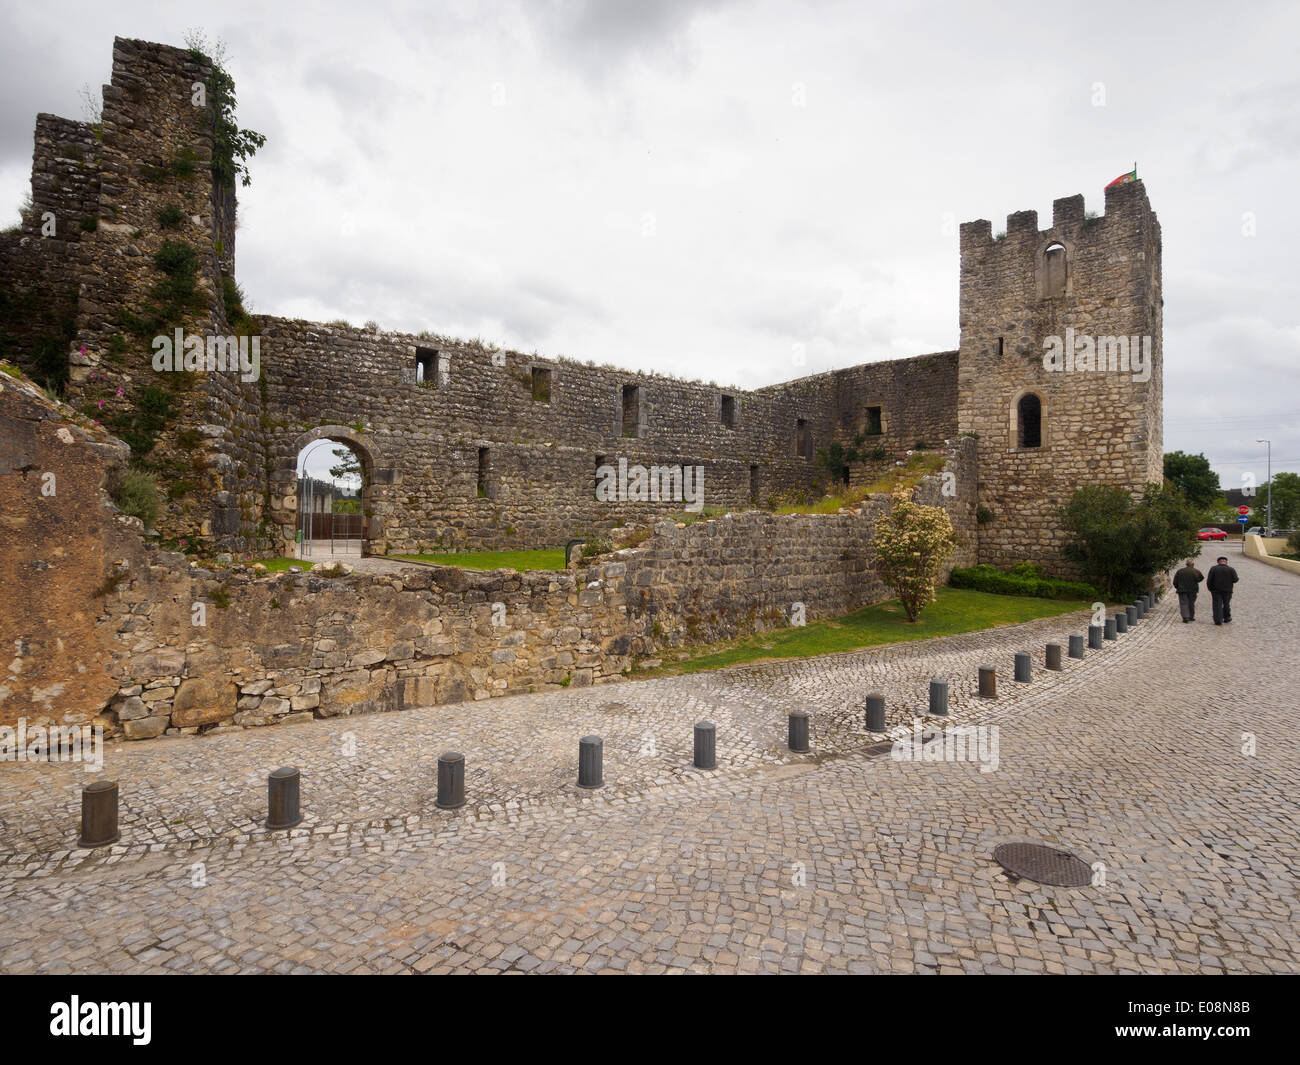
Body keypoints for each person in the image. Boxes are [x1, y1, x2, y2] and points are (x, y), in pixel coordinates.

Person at [1206, 555, 1239, 626]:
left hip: (1216, 590)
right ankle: (1227, 617)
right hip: (1228, 590)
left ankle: (1218, 620)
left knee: (1217, 605)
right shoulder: (1231, 569)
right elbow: (1235, 580)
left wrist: (1210, 588)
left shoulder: (1213, 569)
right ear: (1226, 562)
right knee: (1226, 604)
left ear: (1218, 562)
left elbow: (1209, 580)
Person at [1172, 558, 1203, 622]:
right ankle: (1191, 616)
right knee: (1191, 603)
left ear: (1186, 564)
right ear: (1193, 564)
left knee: (1183, 603)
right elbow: (1201, 578)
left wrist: (1177, 587)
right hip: (1193, 590)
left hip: (1182, 590)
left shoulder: (1180, 571)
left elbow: (1175, 581)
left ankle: (1185, 617)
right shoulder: (1196, 571)